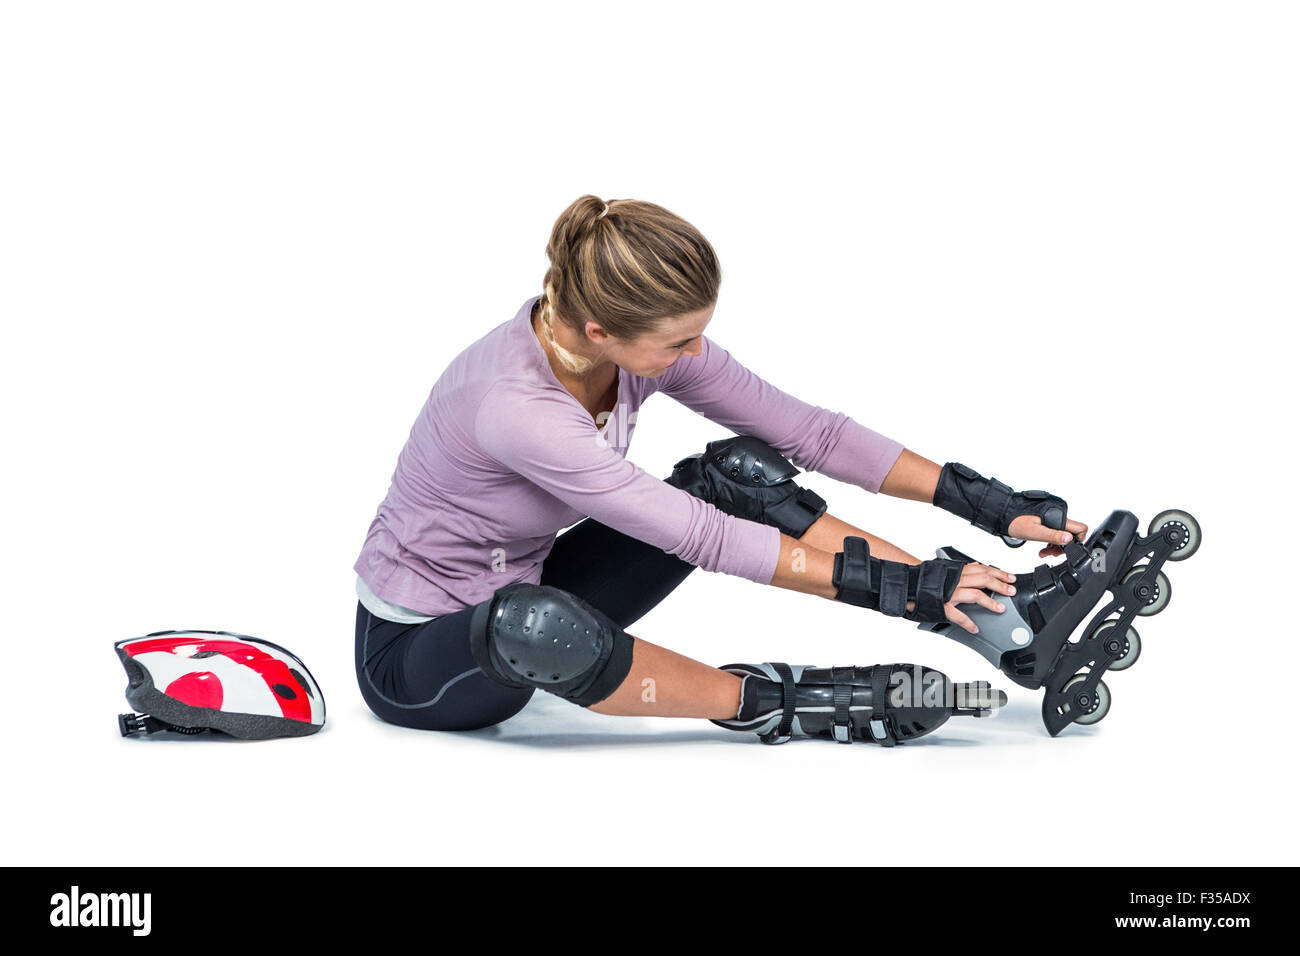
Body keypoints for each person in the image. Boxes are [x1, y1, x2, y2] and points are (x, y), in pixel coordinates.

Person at [352, 195, 1088, 746]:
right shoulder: (514, 406)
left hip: (526, 574)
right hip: (424, 648)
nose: (696, 356)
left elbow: (811, 432)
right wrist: (899, 583)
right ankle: (777, 702)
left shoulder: (624, 345)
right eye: (679, 343)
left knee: (735, 472)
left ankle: (990, 618)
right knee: (540, 630)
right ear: (601, 332)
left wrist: (988, 504)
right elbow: (702, 538)